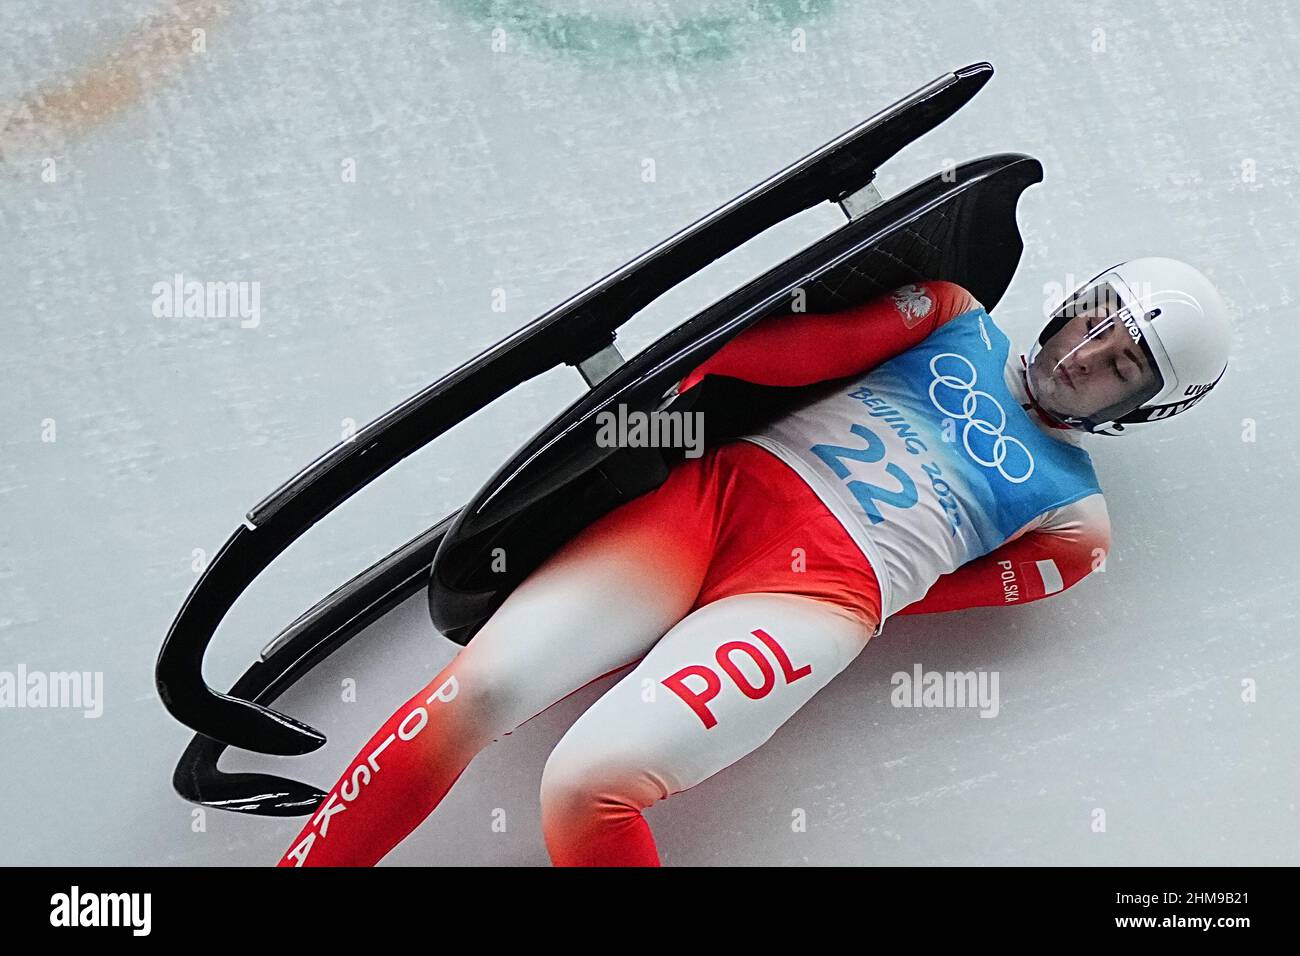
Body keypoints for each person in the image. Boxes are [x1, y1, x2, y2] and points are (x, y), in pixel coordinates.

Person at [278, 257, 1231, 867]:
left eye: (1121, 368)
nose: (1088, 356)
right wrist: (687, 376)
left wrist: (833, 597)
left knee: (586, 789)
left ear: (1141, 409)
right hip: (710, 503)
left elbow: (920, 602)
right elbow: (807, 352)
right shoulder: (952, 313)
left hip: (811, 600)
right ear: (1072, 301)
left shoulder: (1078, 525)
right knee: (469, 697)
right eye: (1099, 324)